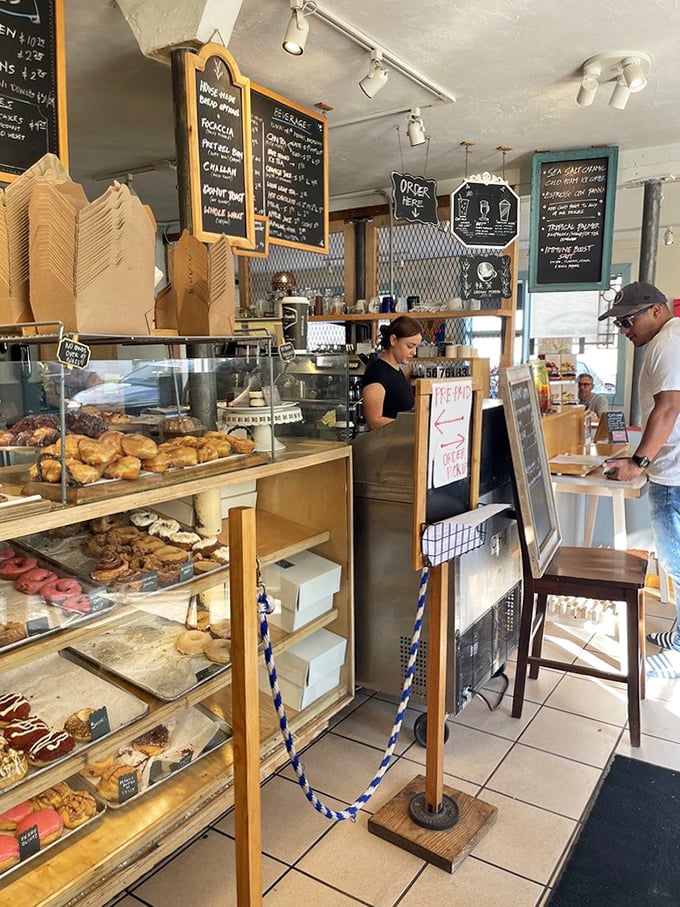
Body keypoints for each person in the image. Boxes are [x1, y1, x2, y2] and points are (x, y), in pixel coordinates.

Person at [598, 282, 680, 678]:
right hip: (671, 471)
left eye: (628, 320)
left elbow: (667, 409)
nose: (624, 329)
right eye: (619, 323)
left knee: (678, 565)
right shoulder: (670, 339)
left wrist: (639, 462)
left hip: (676, 477)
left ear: (656, 310)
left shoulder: (667, 344)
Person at [361, 316, 422, 430]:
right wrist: (414, 423)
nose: (414, 352)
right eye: (410, 346)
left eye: (416, 347)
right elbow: (374, 421)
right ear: (393, 340)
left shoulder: (398, 370)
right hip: (384, 445)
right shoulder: (377, 373)